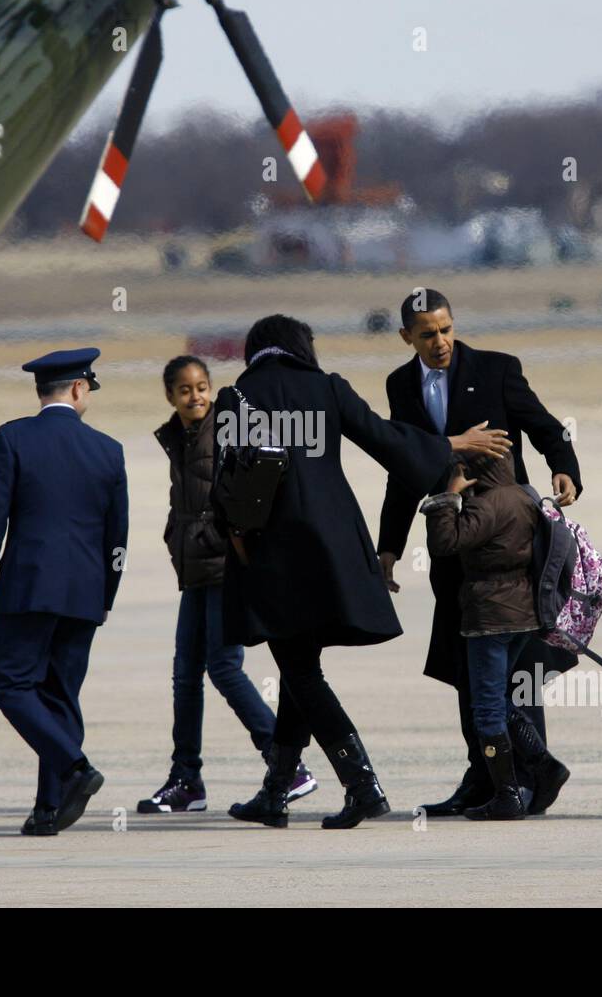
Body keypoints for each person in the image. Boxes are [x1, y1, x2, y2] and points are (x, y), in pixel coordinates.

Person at [216, 314, 511, 829]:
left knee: (300, 669)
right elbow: (384, 439)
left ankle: (362, 786)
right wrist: (449, 445)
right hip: (334, 549)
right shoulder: (327, 387)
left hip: (274, 553)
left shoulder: (237, 397)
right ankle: (275, 790)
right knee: (298, 666)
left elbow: (223, 487)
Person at [376, 288, 580, 816]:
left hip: (509, 549)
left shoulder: (496, 370)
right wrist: (389, 548)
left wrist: (564, 466)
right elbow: (404, 470)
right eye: (427, 334)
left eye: (445, 329)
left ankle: (530, 779)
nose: (440, 341)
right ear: (407, 338)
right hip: (452, 552)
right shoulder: (401, 385)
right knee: (468, 672)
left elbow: (545, 427)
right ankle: (484, 778)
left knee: (518, 673)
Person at [138, 355, 317, 813]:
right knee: (184, 675)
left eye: (202, 387)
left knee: (223, 667)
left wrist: (230, 540)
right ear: (170, 396)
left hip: (225, 566)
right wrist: (174, 534)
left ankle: (287, 765)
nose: (195, 396)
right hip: (194, 568)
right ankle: (187, 780)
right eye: (184, 390)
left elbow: (253, 491)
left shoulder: (225, 430)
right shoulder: (178, 436)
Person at [0, 348, 129, 836]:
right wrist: (107, 595)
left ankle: (76, 770)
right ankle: (48, 810)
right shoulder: (108, 449)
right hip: (85, 592)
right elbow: (117, 535)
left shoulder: (12, 437)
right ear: (79, 388)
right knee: (59, 697)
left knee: (10, 684)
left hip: (27, 586)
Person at [422, 448, 570, 820]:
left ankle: (509, 793)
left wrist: (446, 499)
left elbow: (444, 543)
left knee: (486, 709)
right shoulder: (526, 496)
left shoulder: (485, 506)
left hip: (491, 616)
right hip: (525, 613)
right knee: (498, 699)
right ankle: (543, 766)